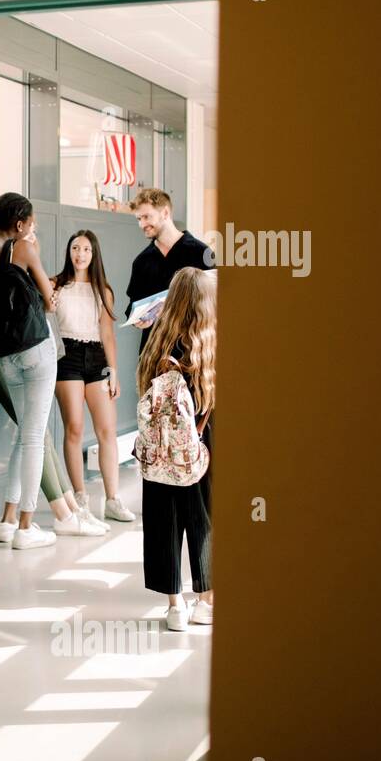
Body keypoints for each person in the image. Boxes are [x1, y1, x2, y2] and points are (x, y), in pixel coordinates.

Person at [0, 193, 64, 549]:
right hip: (36, 349)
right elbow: (50, 300)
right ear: (20, 224)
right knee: (34, 437)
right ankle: (26, 525)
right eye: (32, 221)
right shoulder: (23, 248)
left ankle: (7, 520)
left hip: (3, 354)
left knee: (23, 434)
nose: (33, 227)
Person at [136, 269, 216, 631]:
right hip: (199, 447)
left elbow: (145, 394)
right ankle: (205, 602)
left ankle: (175, 605)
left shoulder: (157, 342)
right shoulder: (208, 342)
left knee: (163, 523)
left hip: (159, 451)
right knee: (204, 520)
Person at [53, 229, 136, 523]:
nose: (80, 254)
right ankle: (79, 497)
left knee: (106, 431)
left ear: (94, 254)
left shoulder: (104, 291)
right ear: (69, 252)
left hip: (97, 358)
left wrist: (114, 372)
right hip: (68, 357)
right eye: (75, 248)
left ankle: (113, 499)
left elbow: (108, 335)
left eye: (86, 249)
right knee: (74, 428)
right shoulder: (56, 285)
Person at [126, 188, 214, 353]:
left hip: (191, 353)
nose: (142, 224)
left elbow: (216, 303)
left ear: (165, 213)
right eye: (139, 219)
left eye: (146, 217)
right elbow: (133, 305)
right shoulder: (141, 261)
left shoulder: (201, 253)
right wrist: (137, 320)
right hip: (153, 355)